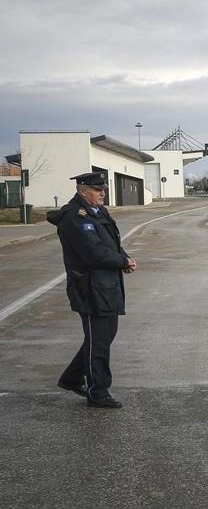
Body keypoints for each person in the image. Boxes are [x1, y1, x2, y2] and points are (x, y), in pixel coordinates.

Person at [46, 172, 137, 409]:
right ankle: (98, 392)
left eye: (103, 189)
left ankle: (72, 378)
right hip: (88, 286)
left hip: (106, 285)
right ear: (82, 190)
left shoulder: (99, 212)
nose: (102, 193)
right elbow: (92, 252)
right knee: (98, 342)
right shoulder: (75, 218)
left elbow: (112, 244)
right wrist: (122, 262)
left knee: (104, 337)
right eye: (97, 190)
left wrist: (124, 258)